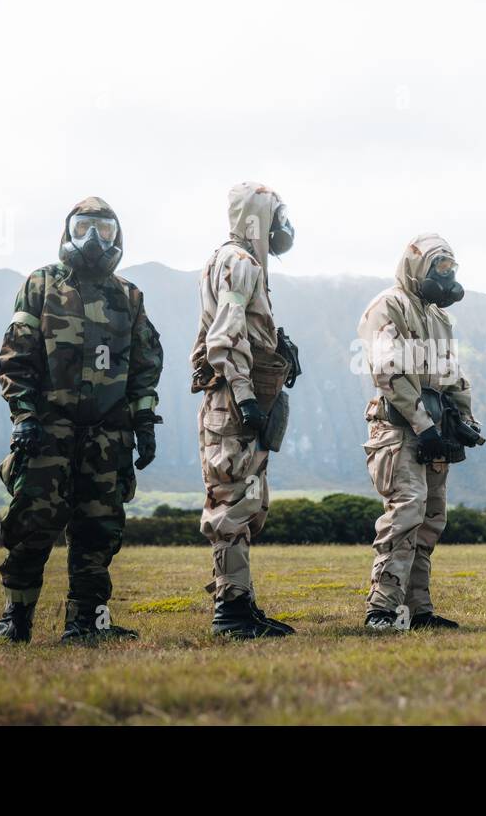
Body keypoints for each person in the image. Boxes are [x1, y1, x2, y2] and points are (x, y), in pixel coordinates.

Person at [0, 197, 163, 644]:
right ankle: (16, 617)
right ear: (67, 232)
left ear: (117, 236)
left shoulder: (128, 296)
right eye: (84, 226)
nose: (93, 238)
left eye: (104, 229)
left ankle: (87, 622)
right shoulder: (41, 284)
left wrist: (144, 423)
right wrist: (24, 415)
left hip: (108, 435)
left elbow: (145, 365)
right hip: (48, 431)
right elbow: (16, 355)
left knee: (99, 530)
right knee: (31, 523)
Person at [189, 182, 299, 638]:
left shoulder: (234, 261)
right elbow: (224, 334)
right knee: (233, 502)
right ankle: (230, 613)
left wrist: (276, 348)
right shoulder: (240, 262)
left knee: (249, 500)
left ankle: (240, 600)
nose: (284, 227)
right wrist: (244, 394)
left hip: (238, 398)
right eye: (277, 215)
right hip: (235, 401)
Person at [357, 233, 481, 632]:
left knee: (430, 519)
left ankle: (417, 610)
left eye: (450, 268)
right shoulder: (389, 306)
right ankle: (382, 608)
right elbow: (388, 370)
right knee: (405, 512)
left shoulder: (439, 318)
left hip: (434, 430)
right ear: (417, 267)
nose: (446, 277)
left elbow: (451, 373)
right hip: (398, 428)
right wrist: (422, 424)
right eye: (438, 268)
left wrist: (466, 419)